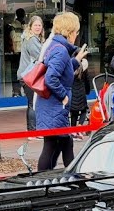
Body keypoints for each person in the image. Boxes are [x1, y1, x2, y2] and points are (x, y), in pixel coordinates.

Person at [35, 11, 88, 171]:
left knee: (59, 144)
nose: (77, 36)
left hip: (50, 105)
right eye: (76, 32)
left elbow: (62, 69)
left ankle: (60, 180)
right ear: (70, 32)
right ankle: (65, 181)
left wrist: (76, 60)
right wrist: (64, 96)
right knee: (53, 145)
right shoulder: (61, 50)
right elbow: (51, 78)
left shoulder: (56, 46)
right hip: (54, 105)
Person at [17, 15, 45, 131]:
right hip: (29, 75)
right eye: (35, 25)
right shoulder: (32, 39)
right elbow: (40, 56)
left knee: (32, 103)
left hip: (26, 75)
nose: (38, 27)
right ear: (30, 26)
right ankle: (33, 130)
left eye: (39, 25)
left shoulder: (30, 38)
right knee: (33, 103)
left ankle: (32, 130)